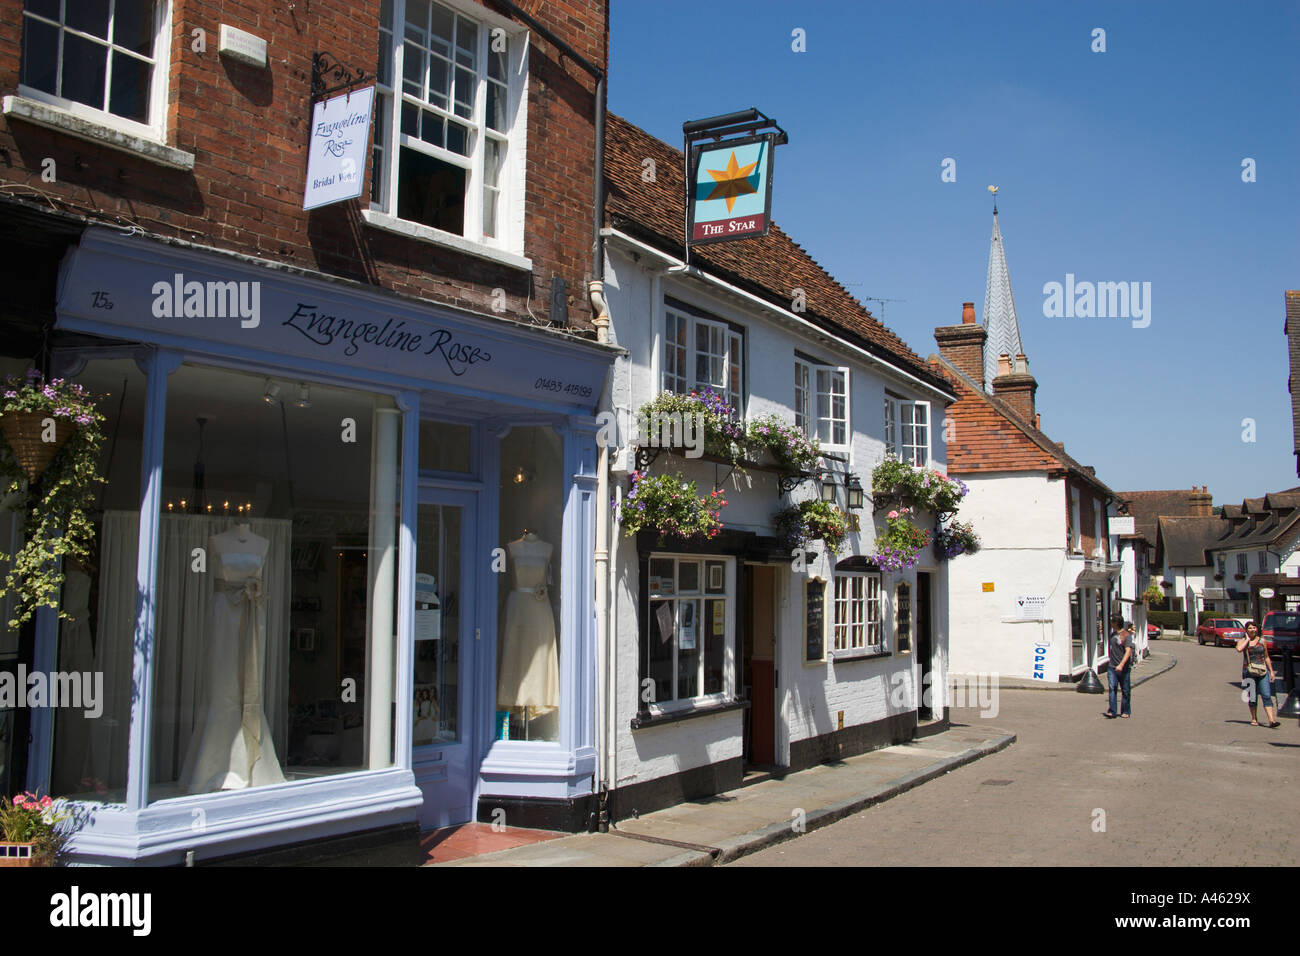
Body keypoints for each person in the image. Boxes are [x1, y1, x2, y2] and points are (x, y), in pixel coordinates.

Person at [1235, 622, 1279, 728]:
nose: (1252, 630)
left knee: (1266, 695)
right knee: (1252, 697)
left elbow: (1266, 656)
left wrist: (1271, 671)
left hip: (1263, 671)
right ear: (1246, 630)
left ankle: (1271, 720)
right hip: (1248, 672)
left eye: (1254, 628)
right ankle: (1254, 718)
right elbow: (1239, 649)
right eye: (1250, 628)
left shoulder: (1262, 641)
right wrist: (1247, 640)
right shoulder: (1242, 641)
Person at [1104, 615, 1134, 719]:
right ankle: (1112, 711)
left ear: (1117, 622)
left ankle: (1125, 711)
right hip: (1112, 667)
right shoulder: (1112, 635)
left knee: (1125, 690)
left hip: (1124, 668)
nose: (1111, 623)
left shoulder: (1126, 635)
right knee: (1112, 688)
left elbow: (1128, 651)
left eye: (1112, 621)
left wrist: (1121, 665)